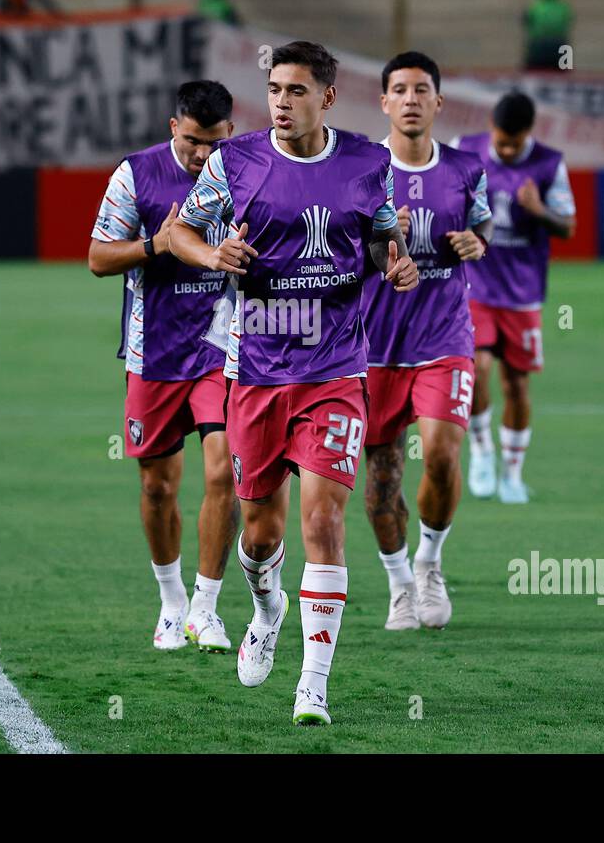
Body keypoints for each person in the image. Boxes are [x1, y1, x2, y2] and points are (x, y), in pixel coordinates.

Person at [169, 41, 417, 726]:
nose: (281, 101)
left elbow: (383, 236)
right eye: (275, 88)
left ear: (328, 97)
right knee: (259, 532)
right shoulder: (235, 161)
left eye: (297, 90)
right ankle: (267, 608)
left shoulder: (369, 162)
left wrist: (395, 263)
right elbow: (178, 231)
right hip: (253, 372)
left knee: (324, 521)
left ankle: (313, 686)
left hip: (334, 369)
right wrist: (212, 252)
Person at [87, 81, 239, 652]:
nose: (205, 155)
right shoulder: (136, 174)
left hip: (222, 347)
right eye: (195, 141)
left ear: (232, 131)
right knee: (157, 486)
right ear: (173, 127)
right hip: (155, 355)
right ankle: (171, 601)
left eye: (216, 142)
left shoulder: (245, 168)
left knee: (226, 471)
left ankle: (207, 606)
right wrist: (158, 244)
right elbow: (99, 257)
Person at [361, 52, 491, 632]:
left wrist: (474, 242)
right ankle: (398, 585)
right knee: (384, 475)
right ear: (384, 102)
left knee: (440, 455)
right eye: (399, 90)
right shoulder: (361, 171)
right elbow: (337, 249)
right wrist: (383, 242)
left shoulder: (466, 169)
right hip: (373, 348)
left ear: (439, 102)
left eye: (422, 90)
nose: (411, 100)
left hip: (444, 339)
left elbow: (482, 224)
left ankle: (431, 562)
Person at [456, 92, 576, 504]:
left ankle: (512, 472)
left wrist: (539, 210)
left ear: (529, 133)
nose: (505, 150)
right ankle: (482, 453)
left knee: (517, 386)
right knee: (477, 371)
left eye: (513, 143)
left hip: (523, 294)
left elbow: (568, 227)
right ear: (491, 124)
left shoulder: (549, 163)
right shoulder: (465, 150)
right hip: (476, 286)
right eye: (501, 141)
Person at [522, 0, 573, 71]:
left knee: (533, 72)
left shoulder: (535, 6)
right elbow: (568, 21)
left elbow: (526, 20)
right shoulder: (563, 6)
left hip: (538, 44)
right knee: (564, 74)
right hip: (560, 43)